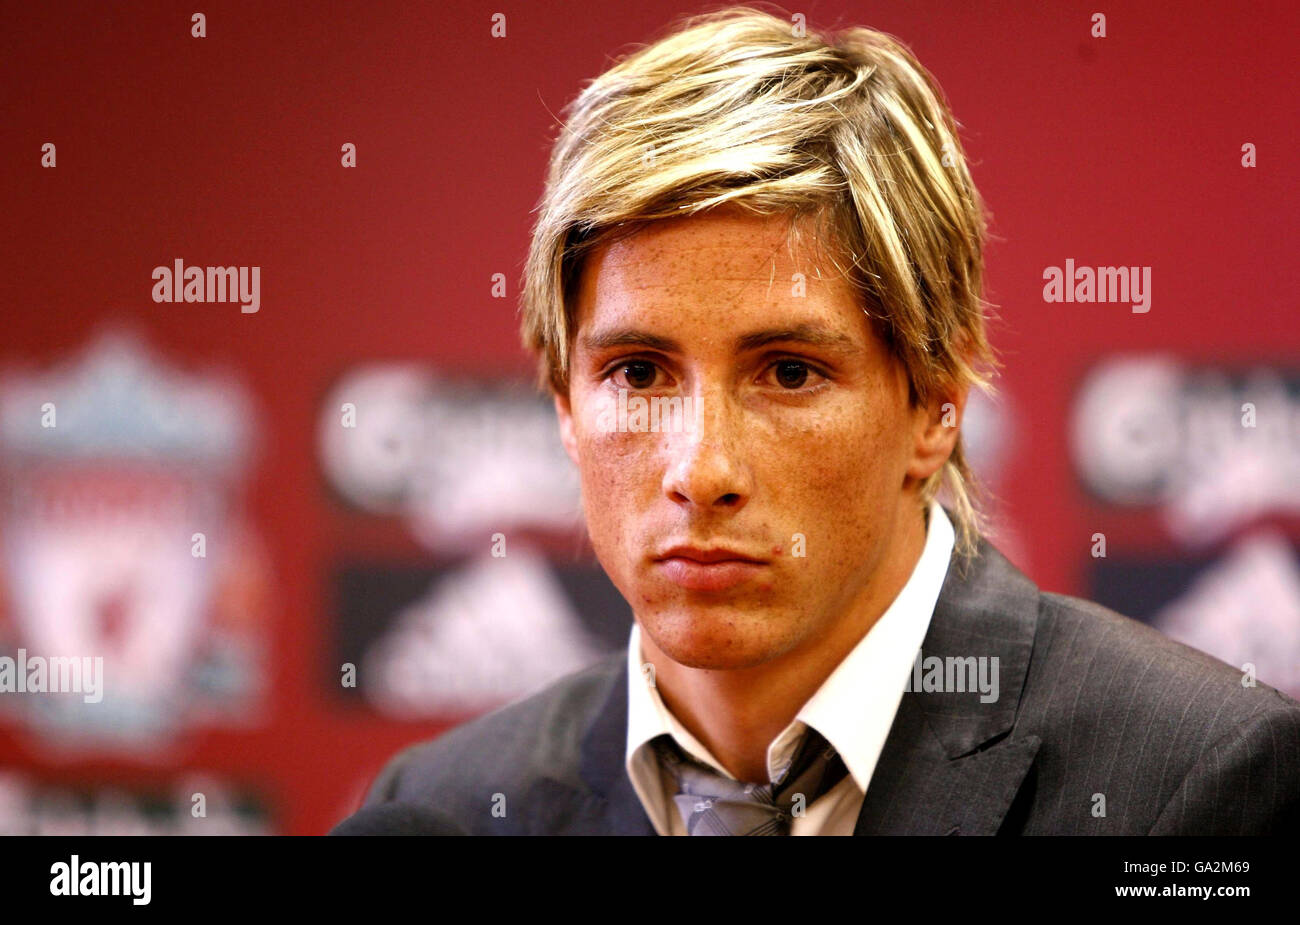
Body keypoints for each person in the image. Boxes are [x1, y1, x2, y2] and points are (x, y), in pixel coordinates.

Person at [344, 6, 1300, 835]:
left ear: (934, 403)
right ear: (563, 403)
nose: (701, 466)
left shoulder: (1195, 785)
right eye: (637, 372)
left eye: (789, 372)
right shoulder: (446, 803)